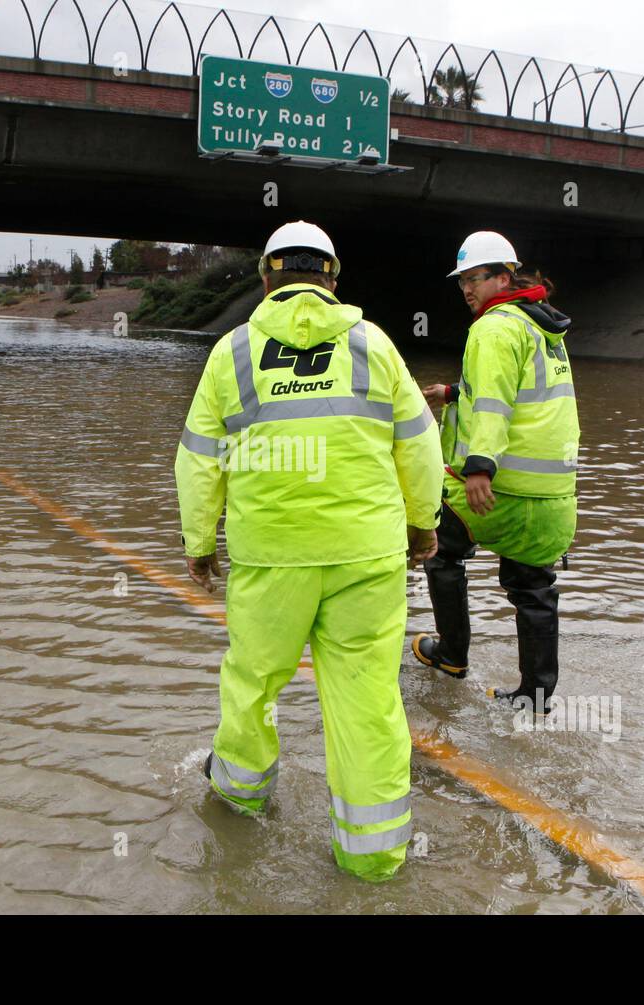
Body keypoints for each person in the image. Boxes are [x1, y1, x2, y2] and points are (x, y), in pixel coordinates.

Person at [174, 221, 442, 880]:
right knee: (367, 698)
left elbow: (198, 461)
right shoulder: (375, 345)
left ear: (265, 278)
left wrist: (199, 543)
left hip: (271, 561)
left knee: (253, 684)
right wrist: (423, 524)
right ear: (332, 277)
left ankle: (237, 802)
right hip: (365, 558)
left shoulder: (230, 354)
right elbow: (420, 444)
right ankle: (373, 854)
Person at [411, 231, 580, 714]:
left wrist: (479, 467)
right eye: (462, 280)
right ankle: (536, 695)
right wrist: (451, 393)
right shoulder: (541, 329)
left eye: (475, 278)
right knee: (534, 588)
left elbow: (494, 405)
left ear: (503, 277)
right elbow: (518, 395)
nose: (466, 288)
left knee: (440, 553)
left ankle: (452, 657)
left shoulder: (492, 329)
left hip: (499, 486)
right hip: (551, 492)